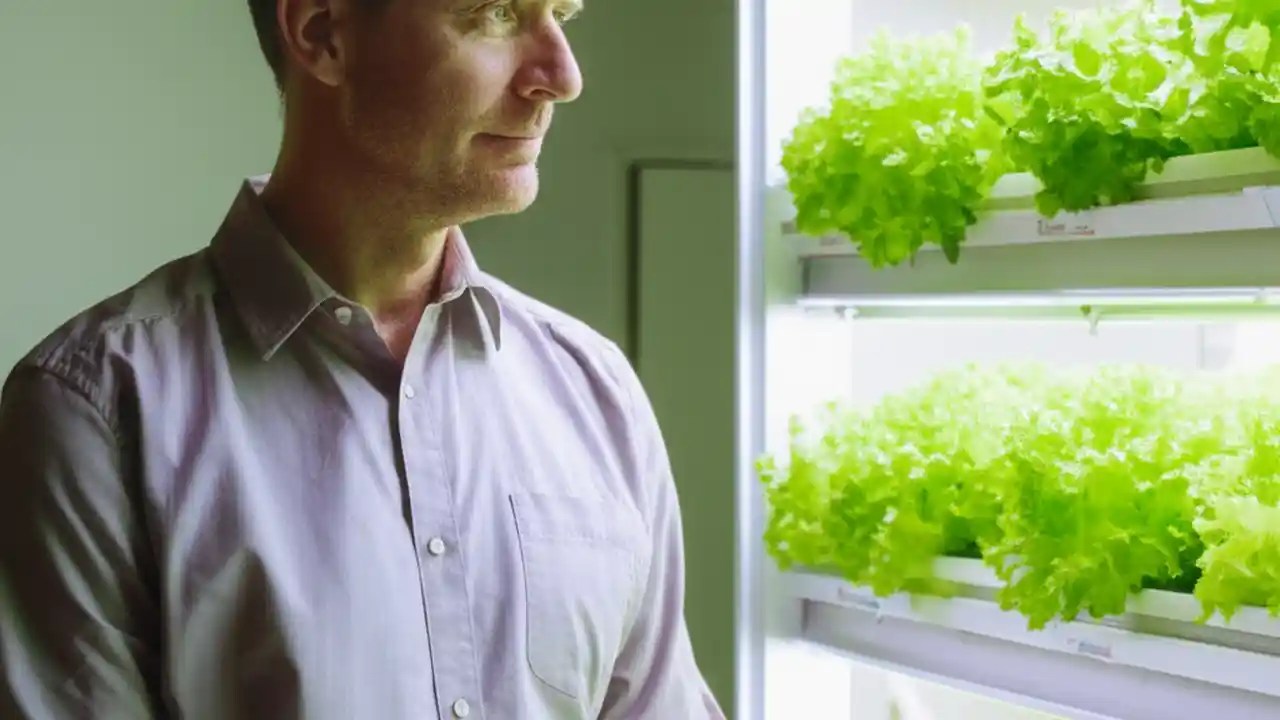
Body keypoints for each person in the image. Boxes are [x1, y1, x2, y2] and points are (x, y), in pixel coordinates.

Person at [0, 0, 726, 718]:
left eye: (560, 16)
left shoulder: (595, 391)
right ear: (322, 34)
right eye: (496, 14)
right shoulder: (93, 409)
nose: (560, 76)